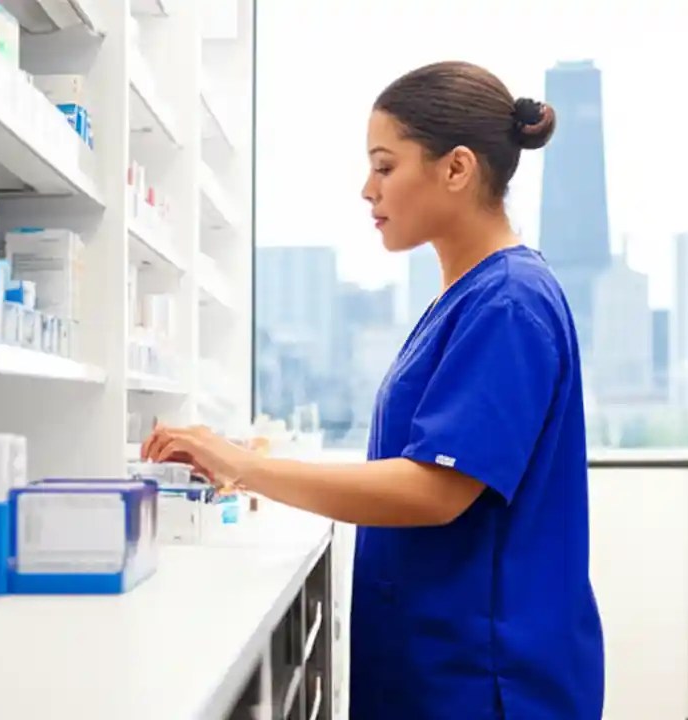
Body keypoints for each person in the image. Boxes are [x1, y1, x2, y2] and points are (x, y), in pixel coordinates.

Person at [142, 60, 604, 719]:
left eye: (385, 166)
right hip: (443, 666)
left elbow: (434, 491)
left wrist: (244, 466)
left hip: (488, 680)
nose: (367, 189)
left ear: (456, 168)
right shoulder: (471, 296)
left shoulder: (507, 303)